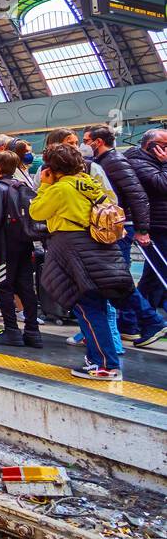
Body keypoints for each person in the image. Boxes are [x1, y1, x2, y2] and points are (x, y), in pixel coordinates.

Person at [29, 144, 133, 380]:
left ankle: (105, 364)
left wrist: (45, 186)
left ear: (52, 168)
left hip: (73, 249)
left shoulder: (61, 189)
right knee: (96, 305)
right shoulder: (89, 182)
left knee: (87, 306)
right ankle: (99, 357)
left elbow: (37, 211)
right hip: (98, 247)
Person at [86, 125, 166, 348]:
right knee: (119, 277)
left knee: (118, 278)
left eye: (84, 140)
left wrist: (141, 228)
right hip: (125, 226)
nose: (82, 145)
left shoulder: (115, 162)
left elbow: (136, 195)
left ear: (98, 141)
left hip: (120, 227)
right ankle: (133, 324)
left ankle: (143, 322)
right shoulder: (123, 161)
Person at [0, 150, 41, 348]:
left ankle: (12, 330)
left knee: (2, 285)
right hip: (24, 242)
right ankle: (33, 331)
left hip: (4, 245)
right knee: (26, 286)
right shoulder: (22, 185)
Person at [125, 129, 167, 347]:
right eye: (164, 144)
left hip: (160, 225)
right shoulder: (139, 163)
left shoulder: (155, 163)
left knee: (155, 277)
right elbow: (163, 186)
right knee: (157, 277)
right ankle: (142, 322)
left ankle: (137, 322)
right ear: (151, 145)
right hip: (157, 226)